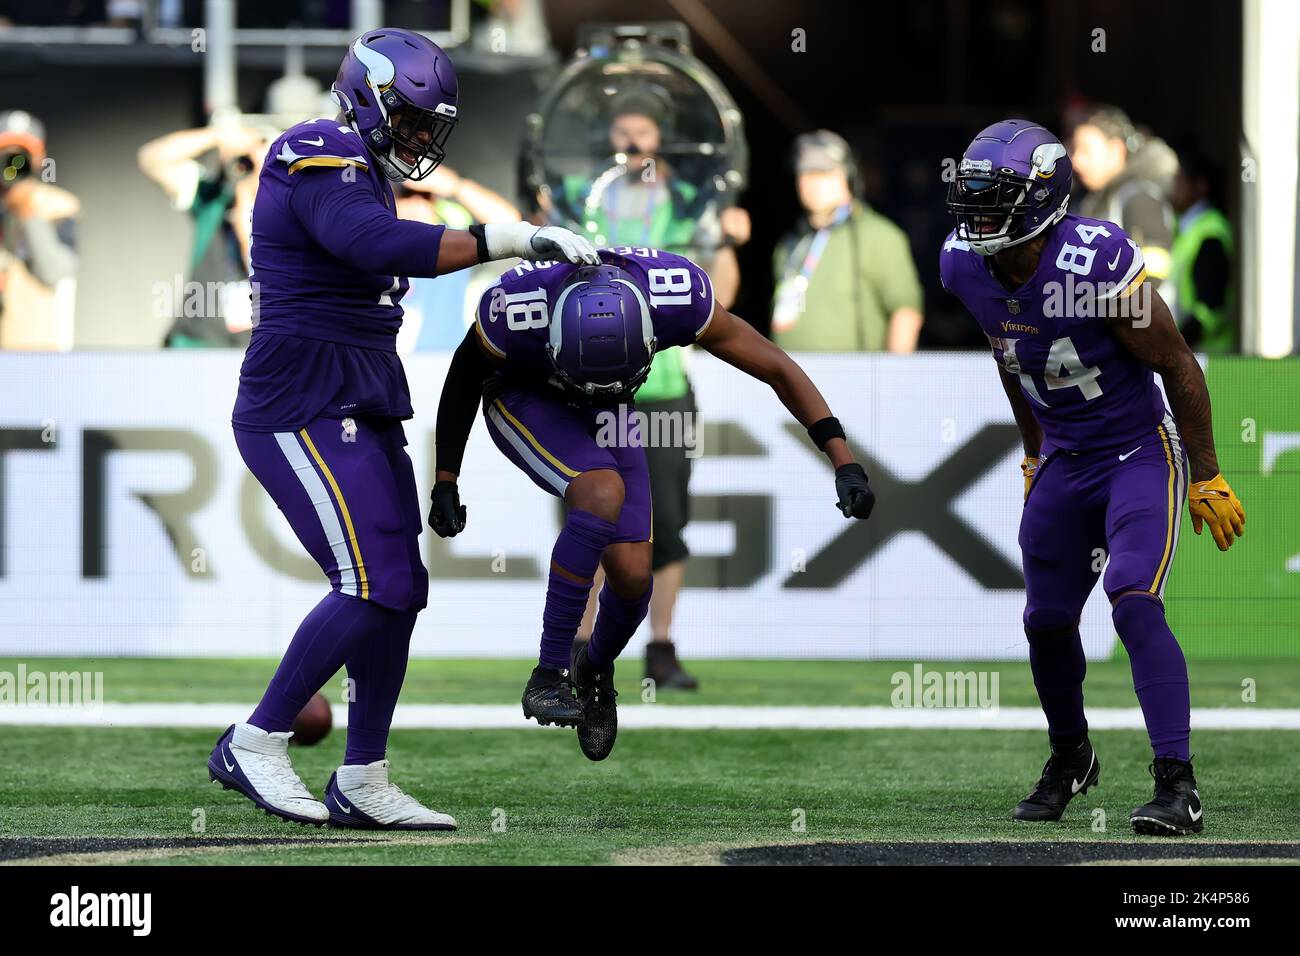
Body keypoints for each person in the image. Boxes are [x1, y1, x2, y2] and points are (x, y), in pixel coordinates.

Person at [205, 28, 600, 831]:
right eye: (411, 118)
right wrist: (512, 238)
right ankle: (256, 738)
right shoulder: (312, 146)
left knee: (401, 590)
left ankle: (363, 776)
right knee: (371, 583)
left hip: (362, 393)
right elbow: (374, 244)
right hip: (300, 398)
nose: (420, 137)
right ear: (368, 95)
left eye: (430, 124)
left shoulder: (369, 173)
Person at [427, 246, 876, 762]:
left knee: (635, 573)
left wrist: (842, 459)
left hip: (614, 409)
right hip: (526, 395)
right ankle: (549, 672)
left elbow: (774, 365)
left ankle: (594, 670)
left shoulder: (675, 295)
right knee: (599, 493)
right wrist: (446, 477)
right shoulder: (517, 306)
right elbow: (463, 376)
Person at [942, 119, 1245, 836]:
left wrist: (1205, 472)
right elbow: (1010, 358)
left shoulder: (1095, 259)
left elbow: (1176, 364)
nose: (979, 215)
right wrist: (1031, 449)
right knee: (1045, 622)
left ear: (1043, 196)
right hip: (1064, 459)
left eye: (998, 197)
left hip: (1136, 451)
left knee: (1132, 597)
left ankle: (1178, 784)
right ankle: (1071, 757)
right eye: (975, 197)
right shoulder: (963, 264)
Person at [560, 90, 751, 689]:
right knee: (588, 521)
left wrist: (724, 241)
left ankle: (660, 649)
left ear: (661, 143)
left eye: (642, 135)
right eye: (622, 136)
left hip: (663, 389)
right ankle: (581, 647)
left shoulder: (693, 204)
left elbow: (721, 300)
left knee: (666, 524)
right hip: (589, 392)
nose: (632, 146)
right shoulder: (580, 203)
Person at [772, 130, 923, 353]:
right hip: (788, 382)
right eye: (804, 173)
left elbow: (906, 313)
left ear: (848, 176)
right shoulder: (790, 243)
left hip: (851, 383)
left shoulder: (880, 236)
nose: (812, 182)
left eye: (823, 172)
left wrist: (894, 380)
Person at [137, 122, 269, 347]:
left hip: (257, 355)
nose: (256, 167)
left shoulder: (296, 214)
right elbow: (152, 160)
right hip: (196, 346)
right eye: (250, 160)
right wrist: (216, 135)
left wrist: (245, 209)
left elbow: (265, 270)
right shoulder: (216, 198)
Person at [1070, 107, 1175, 290]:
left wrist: (1108, 307)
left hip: (1140, 317)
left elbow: (1153, 274)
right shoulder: (1095, 198)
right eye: (1074, 150)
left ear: (1116, 150)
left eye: (1085, 150)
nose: (1076, 161)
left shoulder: (1139, 198)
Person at [0, 110, 78, 351]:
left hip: (33, 355)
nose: (13, 165)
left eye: (21, 157)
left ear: (39, 160)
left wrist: (28, 214)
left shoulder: (59, 206)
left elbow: (54, 272)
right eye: (6, 155)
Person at [1167, 143, 1234, 351]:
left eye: (1180, 181)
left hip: (1208, 357)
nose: (1172, 188)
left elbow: (1210, 306)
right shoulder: (1183, 226)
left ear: (1200, 186)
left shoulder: (1210, 233)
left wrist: (1174, 343)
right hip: (1190, 352)